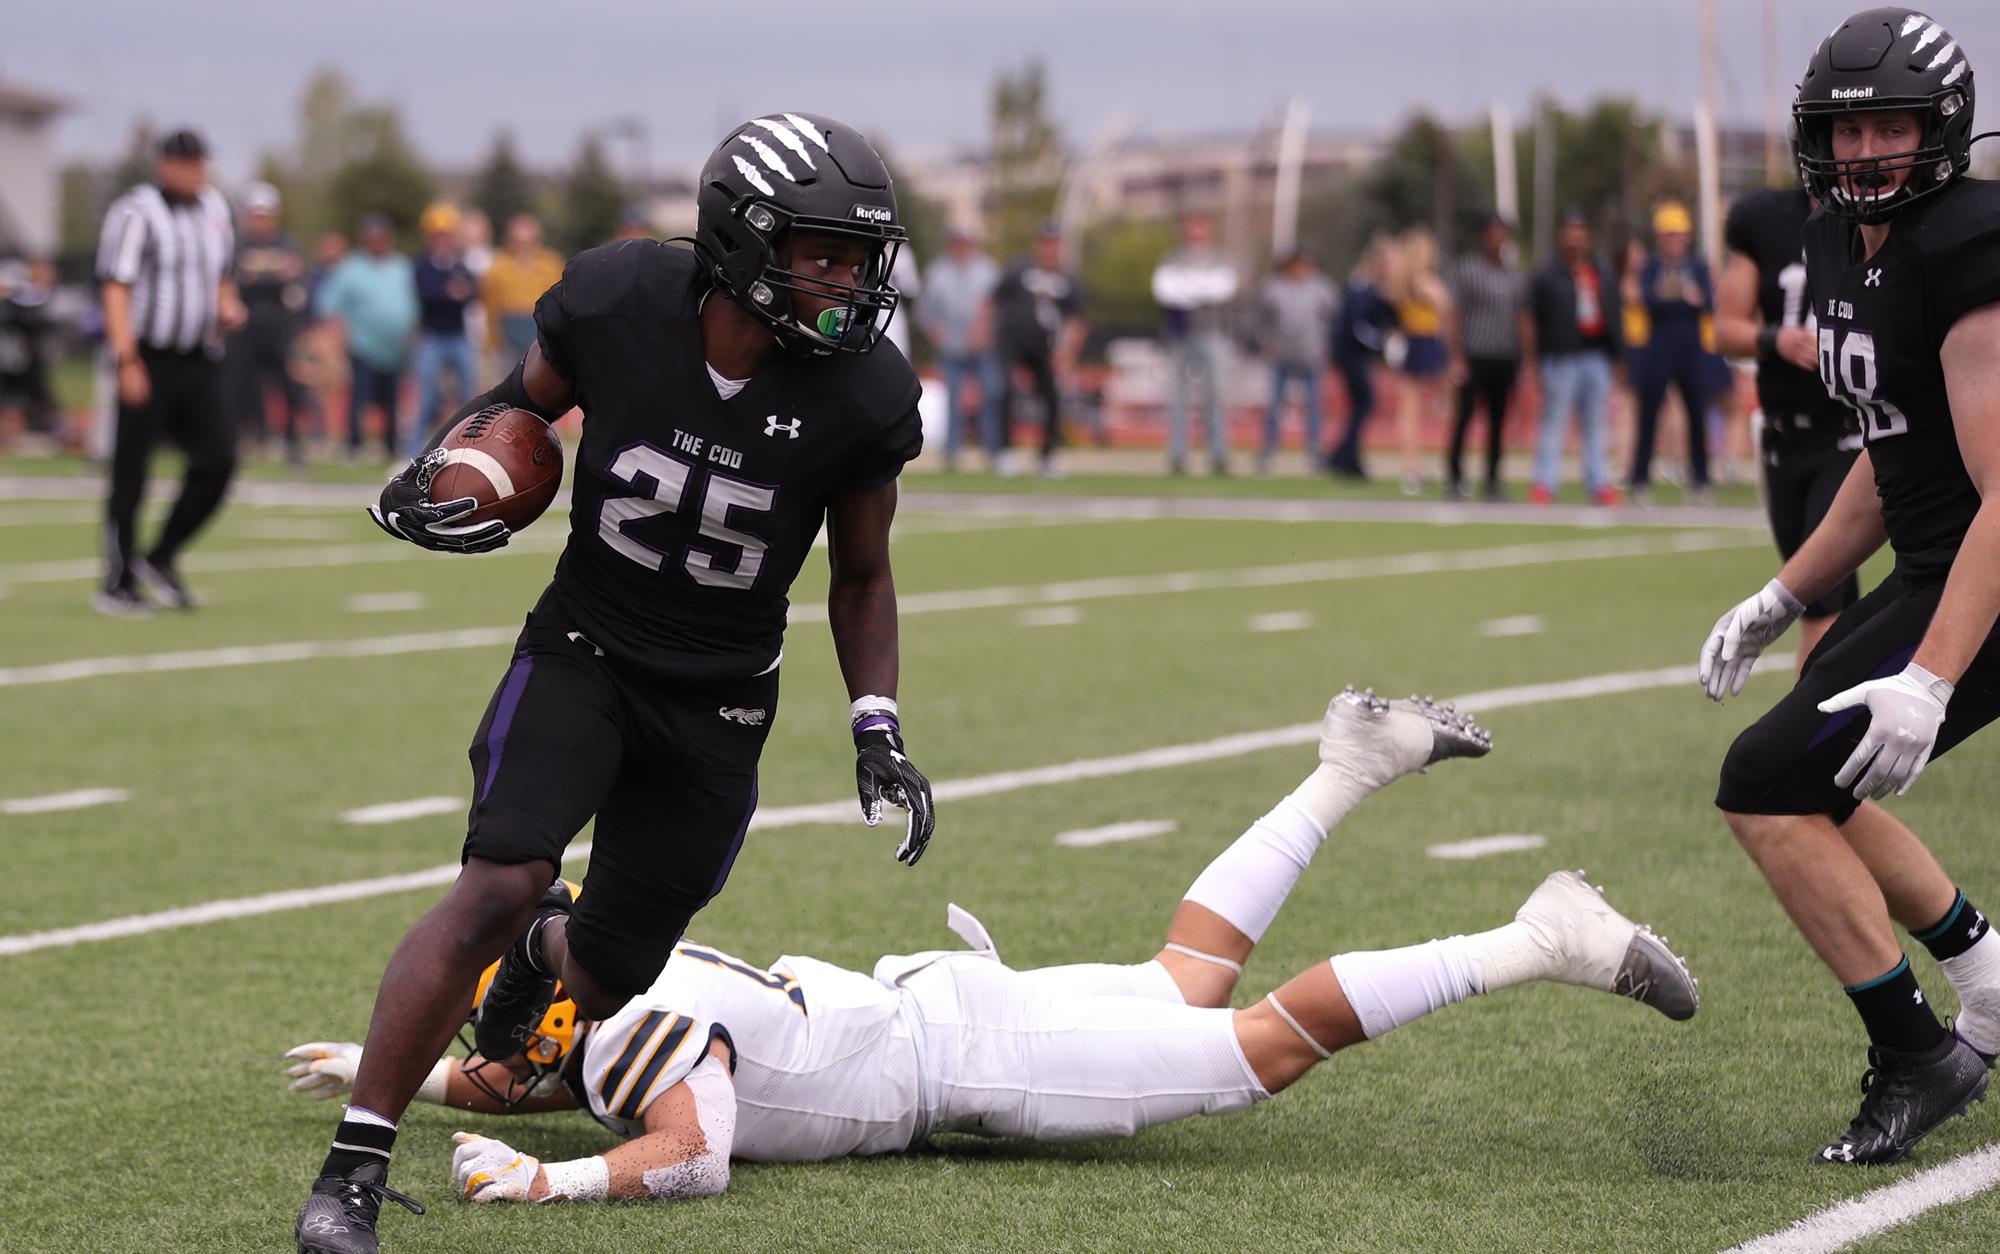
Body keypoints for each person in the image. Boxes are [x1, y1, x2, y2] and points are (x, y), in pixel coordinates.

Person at [294, 113, 937, 1254]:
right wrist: (436, 470)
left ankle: (545, 942)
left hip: (719, 700)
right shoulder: (617, 300)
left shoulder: (864, 392)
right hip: (584, 651)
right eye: (826, 255)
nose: (849, 284)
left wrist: (874, 721)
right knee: (496, 879)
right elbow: (516, 406)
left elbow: (863, 575)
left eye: (859, 259)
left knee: (602, 978)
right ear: (743, 240)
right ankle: (353, 1170)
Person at [280, 688, 1697, 1205]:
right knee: (1184, 979)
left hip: (966, 1058)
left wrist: (555, 1181)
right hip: (934, 1006)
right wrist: (385, 1072)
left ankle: (1537, 938)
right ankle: (1346, 766)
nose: (503, 1059)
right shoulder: (618, 987)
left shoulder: (630, 1038)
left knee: (1249, 1049)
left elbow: (691, 1151)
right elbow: (534, 1074)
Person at [1700, 7, 2000, 1167]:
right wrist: (1784, 593)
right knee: (1808, 771)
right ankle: (1984, 980)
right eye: (1846, 127)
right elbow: (1888, 448)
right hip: (1932, 562)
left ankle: (1918, 1053)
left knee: (1763, 782)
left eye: (1890, 126)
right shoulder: (1833, 242)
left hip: (1980, 570)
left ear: (1942, 127)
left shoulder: (1965, 243)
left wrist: (1929, 677)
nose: (1866, 149)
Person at [93, 128, 245, 615]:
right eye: (187, 163)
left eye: (201, 163)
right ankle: (116, 582)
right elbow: (116, 287)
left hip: (199, 357)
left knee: (219, 460)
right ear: (167, 165)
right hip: (148, 356)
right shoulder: (136, 211)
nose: (196, 172)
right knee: (131, 471)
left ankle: (159, 556)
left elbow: (222, 277)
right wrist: (126, 359)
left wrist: (227, 305)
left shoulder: (215, 209)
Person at [1717, 181, 1864, 665]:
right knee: (1831, 605)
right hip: (1783, 438)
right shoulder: (1763, 219)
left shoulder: (1883, 219)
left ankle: (1808, 715)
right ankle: (1844, 702)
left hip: (1851, 436)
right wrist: (1775, 339)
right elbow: (1726, 329)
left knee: (1818, 598)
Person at [1528, 211, 1624, 506]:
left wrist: (1618, 355)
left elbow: (1614, 314)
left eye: (1580, 232)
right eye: (1570, 232)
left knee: (1596, 423)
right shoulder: (1548, 275)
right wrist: (1533, 360)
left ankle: (1599, 482)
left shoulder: (1600, 273)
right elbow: (1531, 318)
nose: (1575, 238)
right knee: (1554, 421)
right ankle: (1545, 482)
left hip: (1596, 355)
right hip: (1561, 357)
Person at [1628, 202, 1718, 504]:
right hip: (1659, 349)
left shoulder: (1697, 266)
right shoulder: (1650, 267)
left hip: (1691, 350)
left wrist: (1672, 296)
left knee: (1697, 415)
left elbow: (1707, 302)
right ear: (1659, 237)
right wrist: (1682, 297)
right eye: (1668, 235)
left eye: (1678, 234)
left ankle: (1701, 480)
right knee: (1649, 415)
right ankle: (1639, 480)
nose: (1674, 241)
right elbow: (1648, 302)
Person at [315, 215, 417, 461]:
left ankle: (391, 445)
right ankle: (355, 445)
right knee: (360, 397)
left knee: (392, 399)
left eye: (381, 237)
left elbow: (413, 302)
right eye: (373, 237)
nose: (377, 242)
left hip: (395, 347)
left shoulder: (402, 266)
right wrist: (338, 334)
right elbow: (328, 304)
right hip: (363, 345)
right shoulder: (351, 268)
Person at [987, 222, 1084, 478]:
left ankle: (1048, 455)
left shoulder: (1067, 278)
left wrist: (1067, 354)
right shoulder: (1019, 269)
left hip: (1045, 349)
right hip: (1011, 343)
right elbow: (993, 299)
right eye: (1046, 243)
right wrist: (985, 331)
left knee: (1052, 397)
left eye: (1055, 244)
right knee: (1006, 391)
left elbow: (1077, 319)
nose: (1050, 249)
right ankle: (1005, 452)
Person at [1444, 214, 1529, 501]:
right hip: (1474, 354)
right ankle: (1455, 475)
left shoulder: (1514, 275)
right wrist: (1456, 355)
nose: (1496, 239)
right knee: (1465, 417)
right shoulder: (1468, 269)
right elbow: (1455, 314)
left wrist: (1524, 356)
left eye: (1500, 233)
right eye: (1491, 233)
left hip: (1504, 356)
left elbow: (1521, 318)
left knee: (1498, 421)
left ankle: (1492, 479)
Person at [225, 182, 310, 463]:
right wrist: (270, 274)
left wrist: (260, 275)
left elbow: (295, 280)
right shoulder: (237, 245)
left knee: (289, 386)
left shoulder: (287, 243)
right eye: (255, 215)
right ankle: (246, 439)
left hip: (279, 328)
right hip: (244, 329)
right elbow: (236, 279)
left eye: (265, 216)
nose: (260, 221)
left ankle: (293, 442)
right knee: (240, 387)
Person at [1152, 215, 1240, 475]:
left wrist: (1189, 289)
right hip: (1179, 336)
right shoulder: (1171, 259)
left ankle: (1218, 454)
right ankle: (1178, 455)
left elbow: (1222, 290)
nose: (1195, 235)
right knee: (1177, 398)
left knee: (1215, 396)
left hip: (1211, 334)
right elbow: (1166, 291)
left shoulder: (1219, 259)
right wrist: (1199, 290)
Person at [921, 226, 1000, 471]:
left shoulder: (988, 271)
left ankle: (994, 452)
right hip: (951, 349)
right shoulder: (937, 272)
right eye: (957, 242)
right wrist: (936, 334)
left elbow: (999, 308)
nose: (961, 248)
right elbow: (926, 311)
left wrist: (987, 332)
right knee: (953, 402)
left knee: (991, 396)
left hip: (984, 349)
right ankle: (952, 454)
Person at [1255, 250, 1336, 474]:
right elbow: (1259, 318)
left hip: (1311, 356)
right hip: (1281, 356)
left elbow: (1334, 318)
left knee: (1313, 406)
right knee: (1275, 405)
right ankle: (1269, 449)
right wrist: (1265, 340)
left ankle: (1314, 451)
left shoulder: (1321, 289)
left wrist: (1327, 343)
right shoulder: (1273, 288)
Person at [409, 203, 479, 458]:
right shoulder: (422, 265)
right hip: (432, 337)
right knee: (426, 397)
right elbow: (426, 293)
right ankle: (415, 450)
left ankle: (468, 448)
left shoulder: (460, 265)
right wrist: (449, 292)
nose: (442, 241)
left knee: (467, 395)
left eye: (446, 235)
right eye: (438, 235)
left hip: (458, 336)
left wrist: (450, 293)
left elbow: (471, 293)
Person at [1384, 228, 1450, 495]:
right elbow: (1444, 304)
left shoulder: (1401, 282)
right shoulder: (1422, 281)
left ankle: (1413, 468)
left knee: (1411, 410)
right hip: (1426, 341)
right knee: (1438, 407)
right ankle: (1426, 467)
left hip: (1412, 342)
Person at [1327, 237, 1393, 480]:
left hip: (1355, 353)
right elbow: (1358, 326)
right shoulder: (1361, 286)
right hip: (1350, 352)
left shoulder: (1372, 287)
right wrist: (1381, 344)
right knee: (1365, 402)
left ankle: (1346, 456)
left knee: (1361, 404)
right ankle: (1345, 457)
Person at [482, 213, 563, 376]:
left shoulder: (551, 264)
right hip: (508, 328)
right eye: (517, 241)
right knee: (508, 376)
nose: (523, 248)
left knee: (539, 377)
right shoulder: (498, 265)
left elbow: (558, 301)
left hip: (539, 328)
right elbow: (491, 304)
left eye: (528, 242)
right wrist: (492, 338)